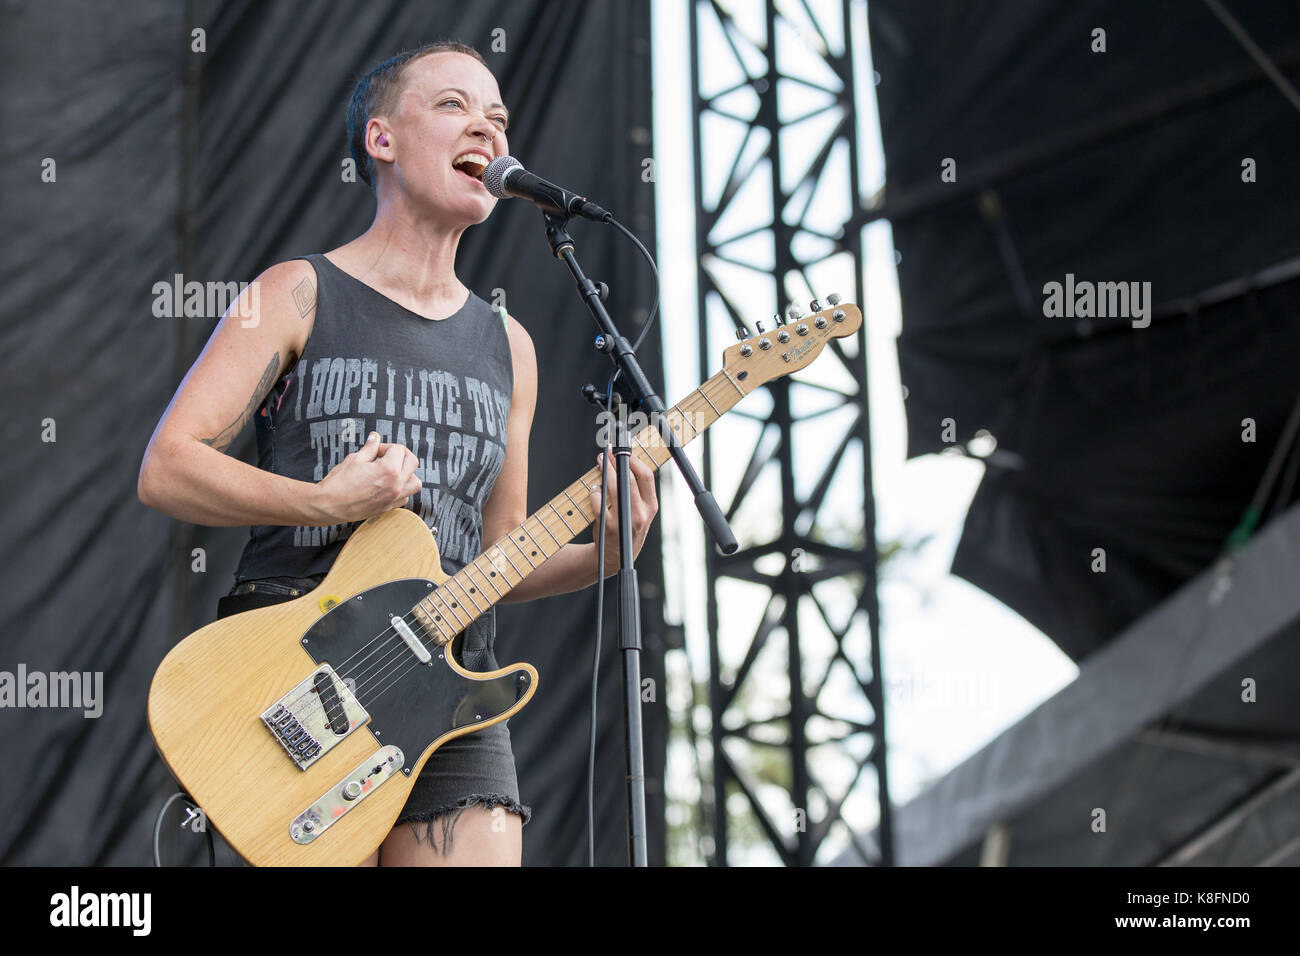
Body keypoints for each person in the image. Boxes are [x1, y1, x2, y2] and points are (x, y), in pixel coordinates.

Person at [137, 40, 659, 866]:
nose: (486, 130)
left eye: (498, 118)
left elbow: (501, 555)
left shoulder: (510, 346)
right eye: (454, 106)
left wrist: (611, 553)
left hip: (449, 689)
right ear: (381, 140)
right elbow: (167, 466)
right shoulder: (295, 291)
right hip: (288, 675)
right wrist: (324, 502)